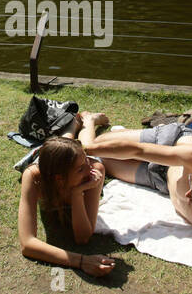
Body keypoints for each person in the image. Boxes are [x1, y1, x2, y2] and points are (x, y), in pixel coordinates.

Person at [84, 124, 192, 294]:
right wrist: (84, 148)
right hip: (171, 143)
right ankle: (92, 121)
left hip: (159, 179)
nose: (187, 195)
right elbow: (138, 150)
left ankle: (120, 133)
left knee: (103, 161)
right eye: (191, 184)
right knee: (97, 144)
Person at [17, 112, 117, 277]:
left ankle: (88, 121)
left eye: (86, 161)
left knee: (77, 144)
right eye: (80, 169)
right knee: (63, 145)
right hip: (49, 159)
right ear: (59, 179)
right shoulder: (34, 177)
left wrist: (78, 194)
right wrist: (81, 261)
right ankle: (74, 125)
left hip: (69, 155)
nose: (89, 170)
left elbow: (83, 238)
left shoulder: (94, 169)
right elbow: (27, 244)